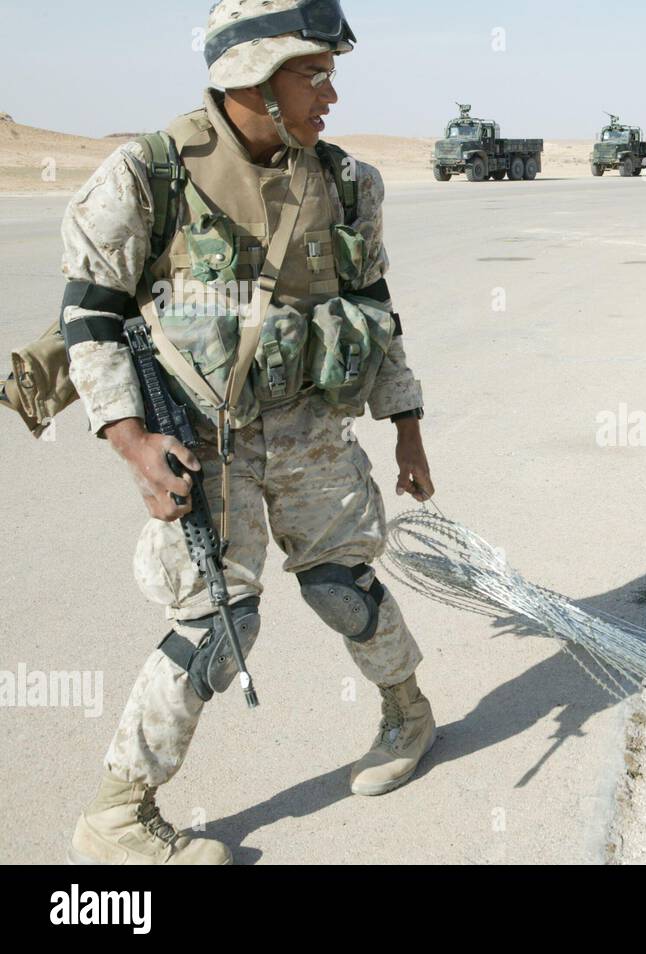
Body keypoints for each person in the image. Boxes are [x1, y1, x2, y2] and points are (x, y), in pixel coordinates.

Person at [61, 0, 437, 864]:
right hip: (200, 435)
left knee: (344, 585)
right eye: (313, 73)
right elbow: (89, 318)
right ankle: (119, 812)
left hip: (311, 429)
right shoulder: (146, 175)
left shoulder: (347, 183)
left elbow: (376, 310)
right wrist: (131, 442)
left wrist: (407, 425)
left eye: (329, 72)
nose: (330, 94)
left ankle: (408, 715)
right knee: (216, 623)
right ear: (253, 80)